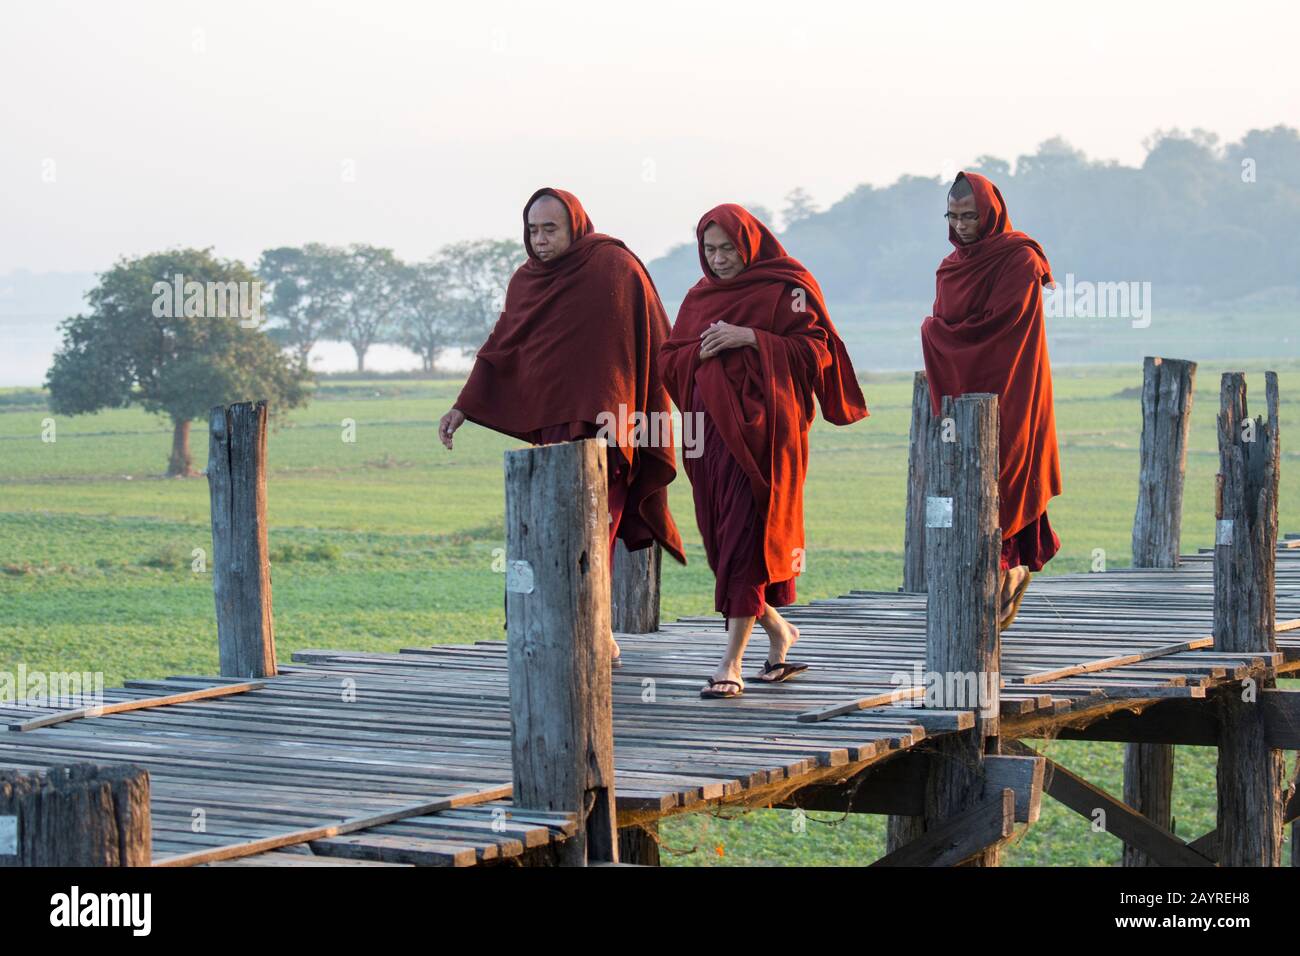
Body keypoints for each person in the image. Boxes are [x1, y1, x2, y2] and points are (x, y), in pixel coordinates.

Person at [438, 187, 686, 664]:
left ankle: (600, 632)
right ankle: (563, 632)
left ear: (575, 226)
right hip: (551, 436)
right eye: (532, 230)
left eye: (550, 229)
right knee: (550, 534)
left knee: (598, 531)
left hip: (608, 433)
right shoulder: (527, 281)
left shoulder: (614, 267)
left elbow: (656, 337)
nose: (540, 240)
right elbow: (501, 346)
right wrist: (463, 407)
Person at [660, 204, 868, 699]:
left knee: (744, 541)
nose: (719, 259)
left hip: (767, 438)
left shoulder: (786, 287)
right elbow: (670, 358)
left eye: (727, 248)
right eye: (709, 250)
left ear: (749, 243)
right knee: (723, 545)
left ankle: (729, 664)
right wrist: (700, 353)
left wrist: (752, 338)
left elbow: (819, 351)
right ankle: (779, 633)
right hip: (707, 439)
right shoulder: (699, 295)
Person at [921, 171, 1062, 630]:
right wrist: (940, 334)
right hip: (964, 401)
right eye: (953, 216)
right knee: (965, 485)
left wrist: (935, 334)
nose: (961, 225)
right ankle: (1000, 583)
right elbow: (954, 322)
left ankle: (1006, 577)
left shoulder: (1018, 259)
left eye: (970, 216)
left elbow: (1000, 331)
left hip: (1015, 390)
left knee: (1006, 477)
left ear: (990, 213)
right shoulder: (951, 265)